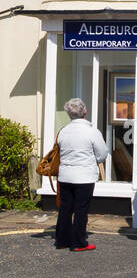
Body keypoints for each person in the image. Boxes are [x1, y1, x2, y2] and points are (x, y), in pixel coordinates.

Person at [55, 98, 108, 251]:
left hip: (65, 175)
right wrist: (93, 161)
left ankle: (62, 241)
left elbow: (60, 150)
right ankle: (78, 242)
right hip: (84, 176)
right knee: (80, 210)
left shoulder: (63, 131)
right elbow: (102, 154)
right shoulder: (92, 131)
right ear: (85, 111)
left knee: (65, 208)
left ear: (69, 114)